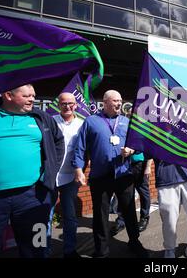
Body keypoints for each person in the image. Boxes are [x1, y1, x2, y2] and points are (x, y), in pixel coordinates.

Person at [0, 84, 64, 258]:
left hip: (34, 198)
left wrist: (50, 171)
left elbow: (58, 141)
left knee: (37, 245)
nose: (32, 99)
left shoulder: (42, 117)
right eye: (27, 96)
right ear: (8, 95)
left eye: (33, 95)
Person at [73, 90, 148, 258]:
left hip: (123, 175)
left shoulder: (126, 121)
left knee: (129, 212)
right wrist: (78, 169)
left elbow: (138, 143)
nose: (119, 104)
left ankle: (135, 242)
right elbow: (80, 147)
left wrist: (131, 149)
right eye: (115, 101)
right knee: (100, 215)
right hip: (100, 177)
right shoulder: (91, 122)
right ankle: (101, 250)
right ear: (105, 102)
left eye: (120, 101)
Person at [151, 160, 187, 258]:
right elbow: (143, 147)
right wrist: (132, 150)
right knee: (169, 221)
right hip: (165, 180)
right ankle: (170, 249)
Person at [111, 104, 151, 236]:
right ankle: (121, 220)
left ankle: (144, 217)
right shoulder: (124, 124)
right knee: (124, 193)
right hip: (124, 164)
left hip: (139, 163)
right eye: (131, 112)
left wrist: (148, 166)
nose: (132, 114)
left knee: (143, 191)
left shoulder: (145, 126)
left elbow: (149, 148)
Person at [52, 92, 84, 258]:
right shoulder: (51, 121)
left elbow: (86, 149)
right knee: (45, 215)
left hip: (71, 177)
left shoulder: (82, 124)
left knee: (70, 216)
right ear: (59, 105)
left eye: (70, 103)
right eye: (63, 103)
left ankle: (69, 250)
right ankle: (42, 250)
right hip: (49, 176)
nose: (67, 106)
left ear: (76, 105)